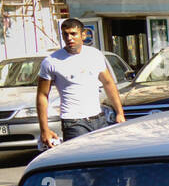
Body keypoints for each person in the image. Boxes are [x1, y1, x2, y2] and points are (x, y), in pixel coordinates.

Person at [37, 18, 125, 147]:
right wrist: (44, 130)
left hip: (99, 119)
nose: (69, 38)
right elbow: (42, 95)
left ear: (83, 35)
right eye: (65, 34)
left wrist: (120, 113)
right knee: (82, 161)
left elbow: (108, 83)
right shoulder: (51, 61)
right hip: (73, 122)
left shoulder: (95, 55)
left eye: (73, 34)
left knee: (103, 160)